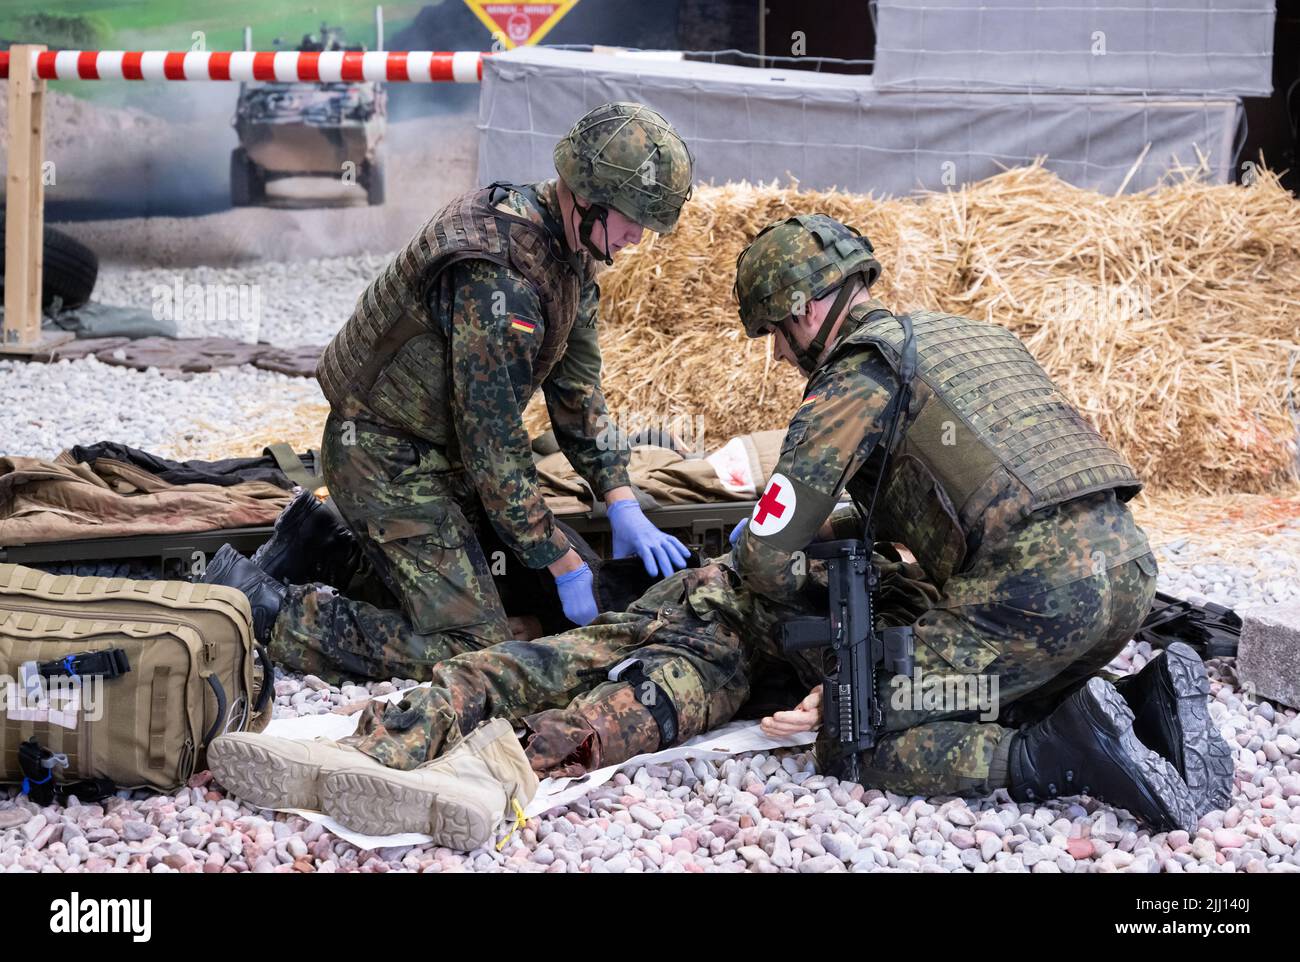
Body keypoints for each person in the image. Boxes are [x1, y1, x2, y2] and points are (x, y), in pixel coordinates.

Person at [207, 214, 1233, 844]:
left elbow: (774, 541)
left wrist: (736, 569)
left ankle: (1054, 760)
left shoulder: (854, 374)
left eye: (780, 337)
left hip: (1033, 595)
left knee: (861, 727)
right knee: (968, 671)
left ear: (798, 311)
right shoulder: (964, 334)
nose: (784, 357)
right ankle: (1128, 696)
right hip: (1122, 574)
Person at [201, 102, 696, 685]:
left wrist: (620, 498)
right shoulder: (500, 277)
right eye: (632, 219)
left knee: (566, 597)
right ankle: (263, 609)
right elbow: (493, 443)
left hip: (442, 456)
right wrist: (558, 558)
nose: (639, 237)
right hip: (385, 459)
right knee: (473, 647)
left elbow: (578, 391)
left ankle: (327, 546)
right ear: (585, 198)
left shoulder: (572, 251)